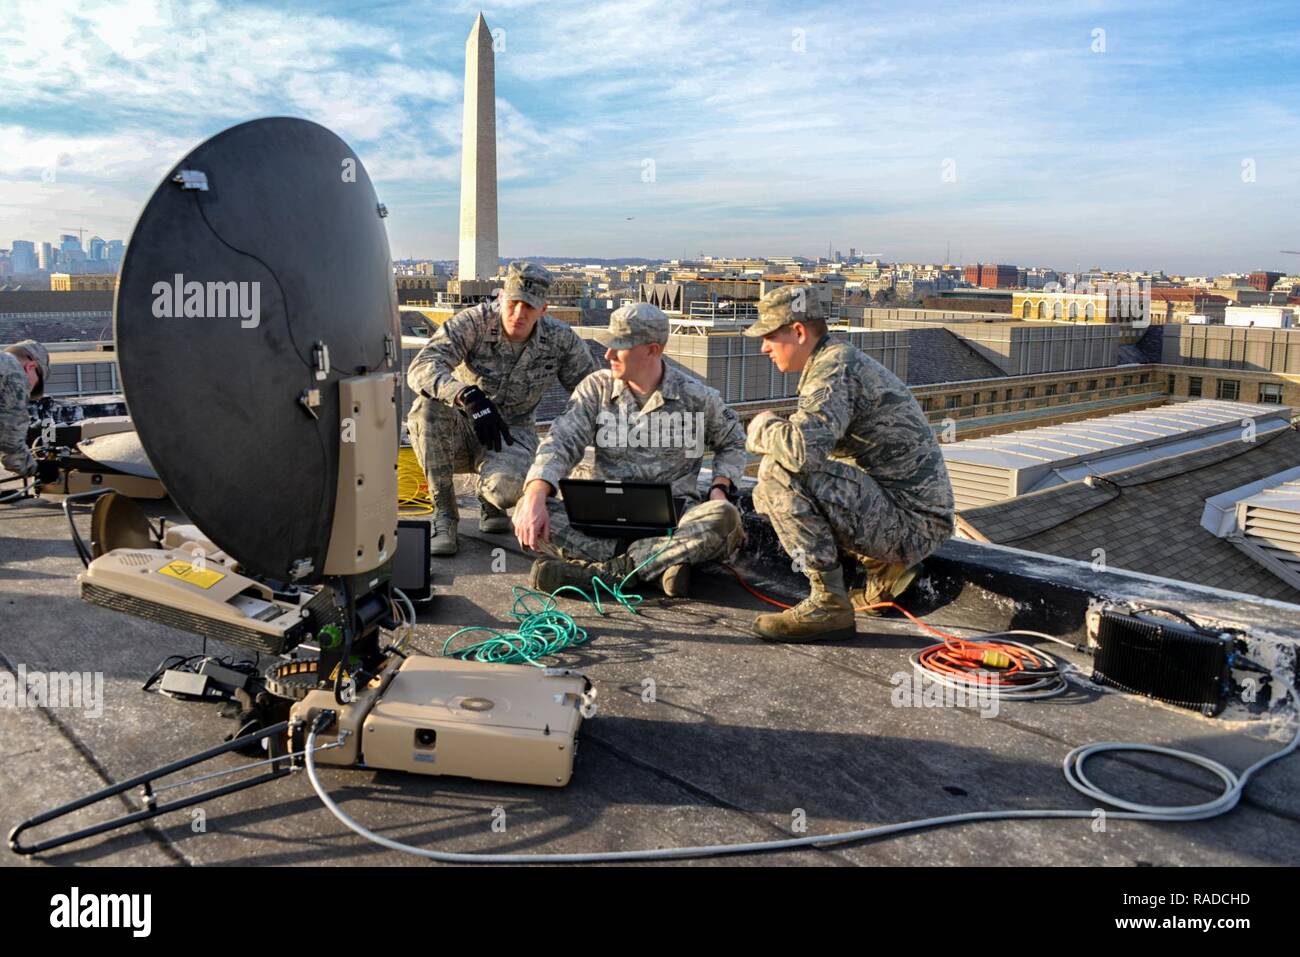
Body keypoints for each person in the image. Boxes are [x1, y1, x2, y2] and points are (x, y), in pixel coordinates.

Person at [744, 286, 954, 642]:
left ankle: (828, 605)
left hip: (912, 527)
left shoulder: (834, 369)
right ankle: (884, 568)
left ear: (798, 331)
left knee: (776, 473)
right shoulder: (833, 361)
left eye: (769, 336)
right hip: (911, 517)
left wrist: (761, 425)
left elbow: (800, 453)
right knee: (767, 493)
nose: (764, 347)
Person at [513, 302, 746, 597]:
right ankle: (655, 567)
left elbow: (734, 441)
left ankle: (608, 572)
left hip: (672, 524)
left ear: (652, 349)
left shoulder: (697, 397)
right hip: (603, 517)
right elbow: (561, 441)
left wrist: (720, 487)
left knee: (723, 518)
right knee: (527, 510)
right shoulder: (596, 389)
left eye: (620, 347)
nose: (608, 354)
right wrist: (535, 494)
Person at [406, 261, 597, 555]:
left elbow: (591, 392)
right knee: (425, 409)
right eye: (514, 303)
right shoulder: (475, 322)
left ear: (543, 310)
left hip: (511, 434)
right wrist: (465, 395)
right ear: (501, 298)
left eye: (529, 308)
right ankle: (444, 513)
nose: (519, 314)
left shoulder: (560, 340)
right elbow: (421, 367)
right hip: (462, 426)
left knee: (508, 490)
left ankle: (490, 502)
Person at [0, 339, 49, 480]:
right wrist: (35, 468)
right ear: (31, 367)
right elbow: (9, 441)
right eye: (37, 383)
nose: (31, 389)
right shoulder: (14, 372)